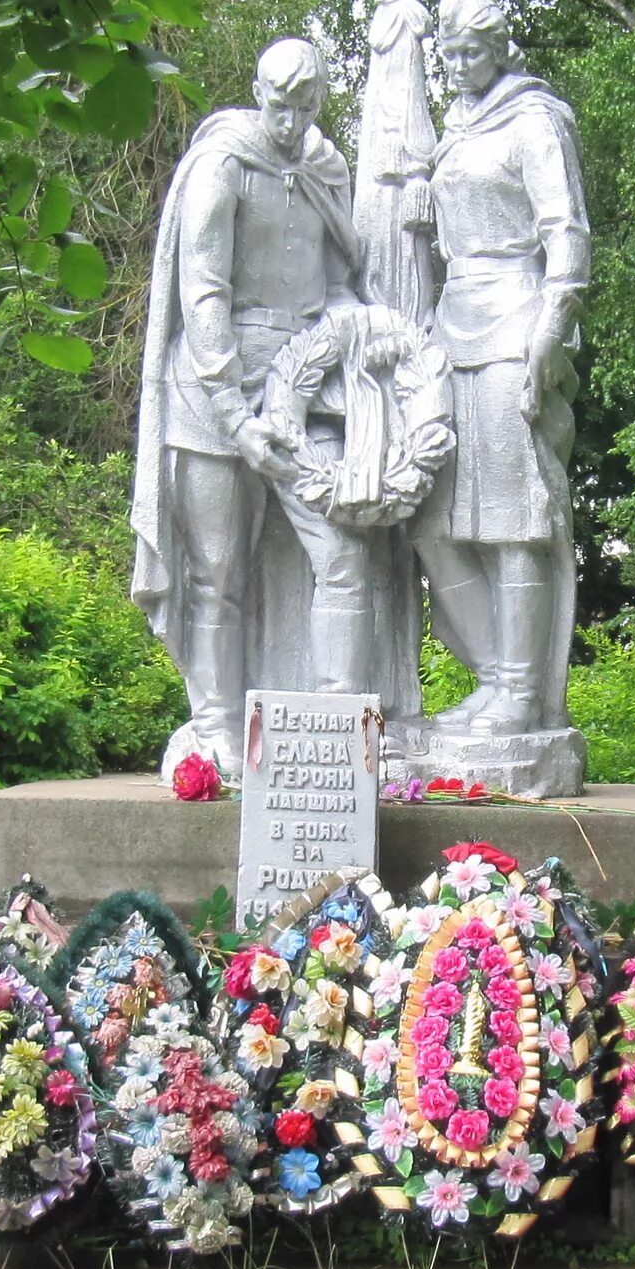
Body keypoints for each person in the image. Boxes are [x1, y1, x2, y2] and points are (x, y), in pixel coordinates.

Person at [130, 39, 416, 775]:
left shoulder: (324, 167)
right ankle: (216, 729)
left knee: (343, 554)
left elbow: (337, 282)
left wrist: (361, 333)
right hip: (212, 388)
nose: (289, 121)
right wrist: (233, 415)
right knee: (217, 572)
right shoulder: (224, 163)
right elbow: (204, 291)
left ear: (322, 103)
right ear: (258, 91)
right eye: (278, 104)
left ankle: (337, 734)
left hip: (303, 384)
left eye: (305, 106)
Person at [412, 0, 588, 739]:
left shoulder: (534, 121)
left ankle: (522, 697)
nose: (457, 65)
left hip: (516, 321)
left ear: (500, 48)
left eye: (471, 51)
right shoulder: (451, 133)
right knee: (432, 517)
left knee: (516, 520)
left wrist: (551, 332)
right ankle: (494, 678)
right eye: (447, 53)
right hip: (450, 328)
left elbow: (568, 237)